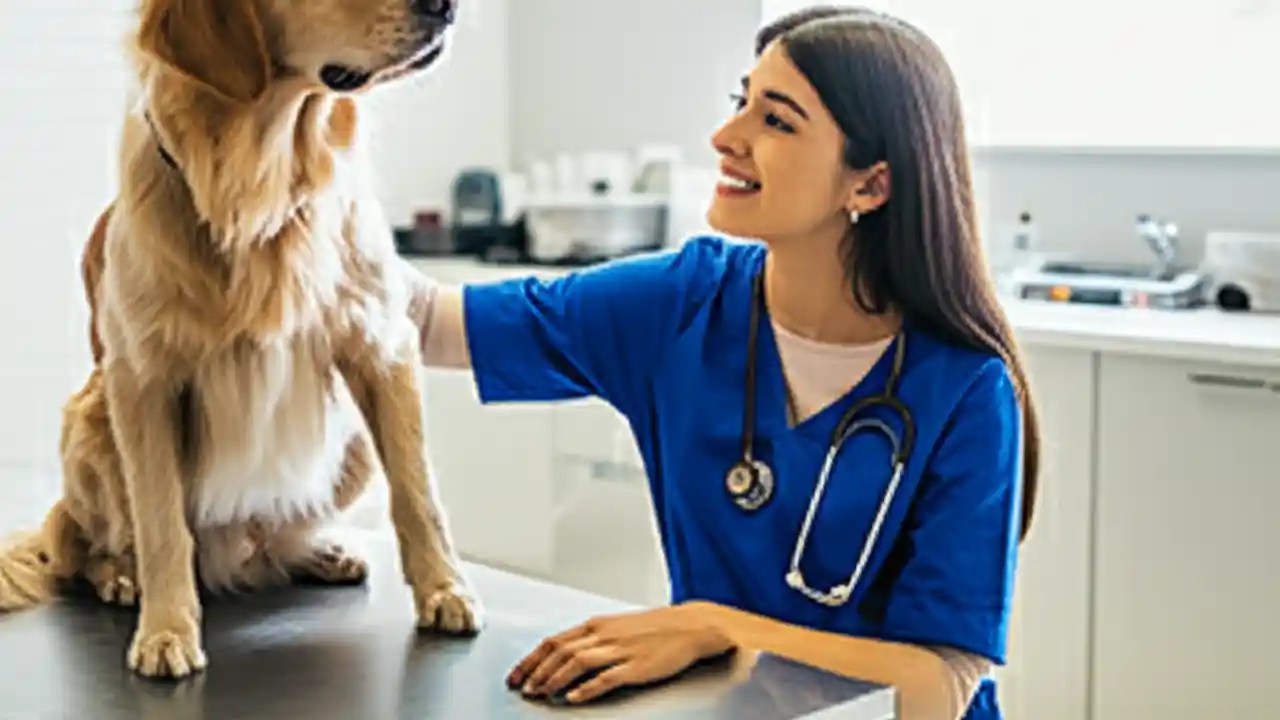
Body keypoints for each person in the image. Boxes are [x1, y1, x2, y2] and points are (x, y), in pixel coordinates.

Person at [415, 5, 1039, 719]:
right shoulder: (682, 301)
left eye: (776, 121)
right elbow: (427, 323)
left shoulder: (965, 388)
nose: (725, 136)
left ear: (868, 185)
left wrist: (719, 629)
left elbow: (940, 686)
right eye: (741, 103)